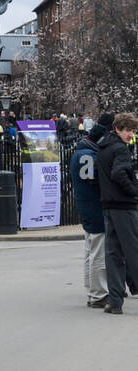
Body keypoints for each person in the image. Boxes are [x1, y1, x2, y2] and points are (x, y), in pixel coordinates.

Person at [97, 112, 138, 314]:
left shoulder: (103, 146)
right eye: (128, 130)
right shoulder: (120, 149)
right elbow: (119, 173)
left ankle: (115, 302)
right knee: (134, 252)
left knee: (113, 255)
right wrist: (134, 191)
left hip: (108, 206)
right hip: (124, 206)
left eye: (132, 130)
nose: (131, 134)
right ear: (118, 129)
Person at [70, 114, 109, 308]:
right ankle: (98, 294)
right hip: (95, 207)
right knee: (98, 252)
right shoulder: (92, 155)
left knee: (90, 249)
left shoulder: (80, 152)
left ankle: (92, 287)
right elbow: (100, 183)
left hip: (85, 205)